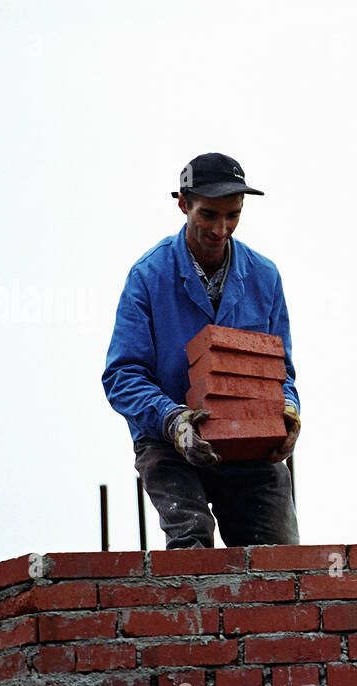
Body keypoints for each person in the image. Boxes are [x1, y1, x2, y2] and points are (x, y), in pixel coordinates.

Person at [102, 152, 301, 549]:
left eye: (233, 215)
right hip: (168, 444)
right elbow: (122, 376)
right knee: (192, 552)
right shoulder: (148, 276)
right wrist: (173, 421)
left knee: (278, 560)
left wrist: (288, 410)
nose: (221, 228)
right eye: (208, 215)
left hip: (247, 441)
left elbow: (281, 371)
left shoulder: (264, 277)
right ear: (183, 204)